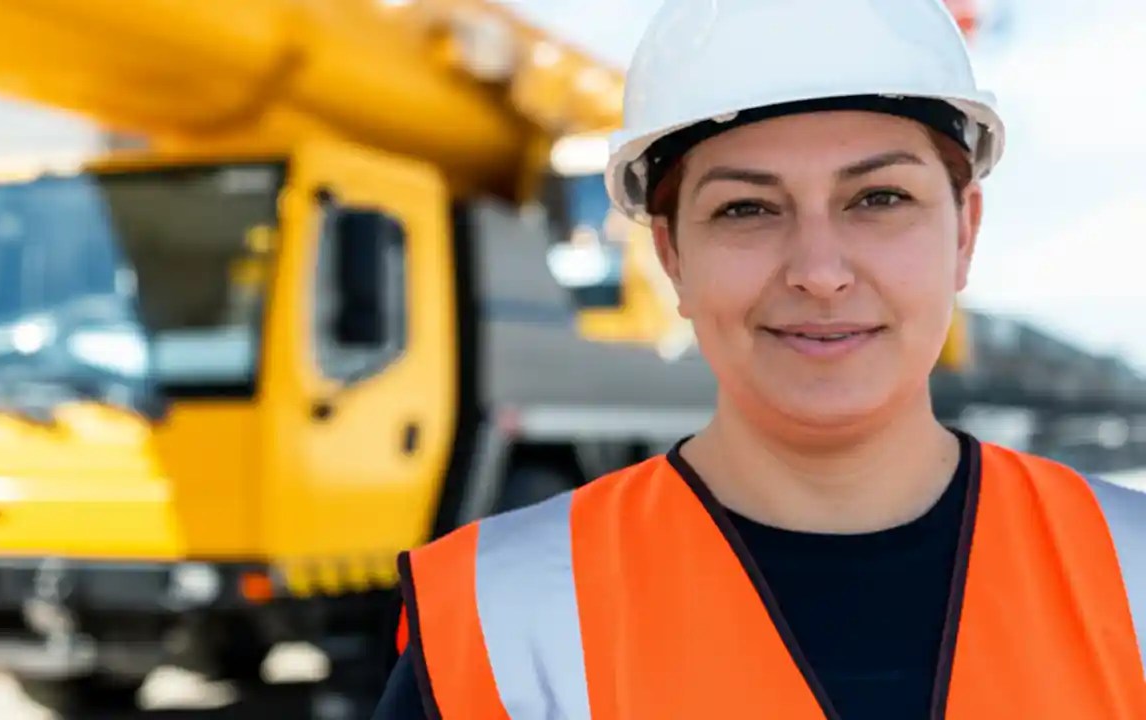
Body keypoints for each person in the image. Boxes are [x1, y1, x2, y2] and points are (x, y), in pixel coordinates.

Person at [372, 0, 1146, 717]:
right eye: (746, 208)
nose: (820, 270)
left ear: (964, 232)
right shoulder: (501, 629)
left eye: (879, 198)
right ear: (672, 257)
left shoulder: (1135, 576)